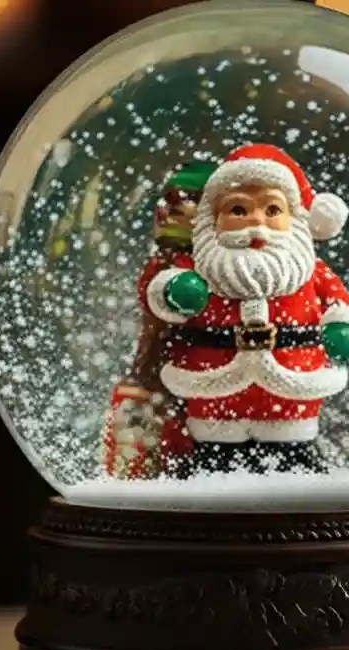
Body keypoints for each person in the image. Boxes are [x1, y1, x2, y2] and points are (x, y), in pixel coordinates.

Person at [142, 144, 349, 475]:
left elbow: (338, 306)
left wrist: (342, 328)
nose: (256, 221)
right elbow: (162, 292)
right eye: (238, 210)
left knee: (293, 460)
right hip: (214, 396)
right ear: (212, 219)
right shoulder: (202, 267)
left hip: (292, 395)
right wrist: (176, 292)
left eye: (273, 210)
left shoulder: (310, 272)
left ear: (298, 220)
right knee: (213, 461)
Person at [103, 161, 216, 478]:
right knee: (139, 458)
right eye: (171, 198)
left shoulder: (224, 265)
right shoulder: (166, 265)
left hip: (200, 388)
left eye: (189, 198)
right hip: (161, 383)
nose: (174, 208)